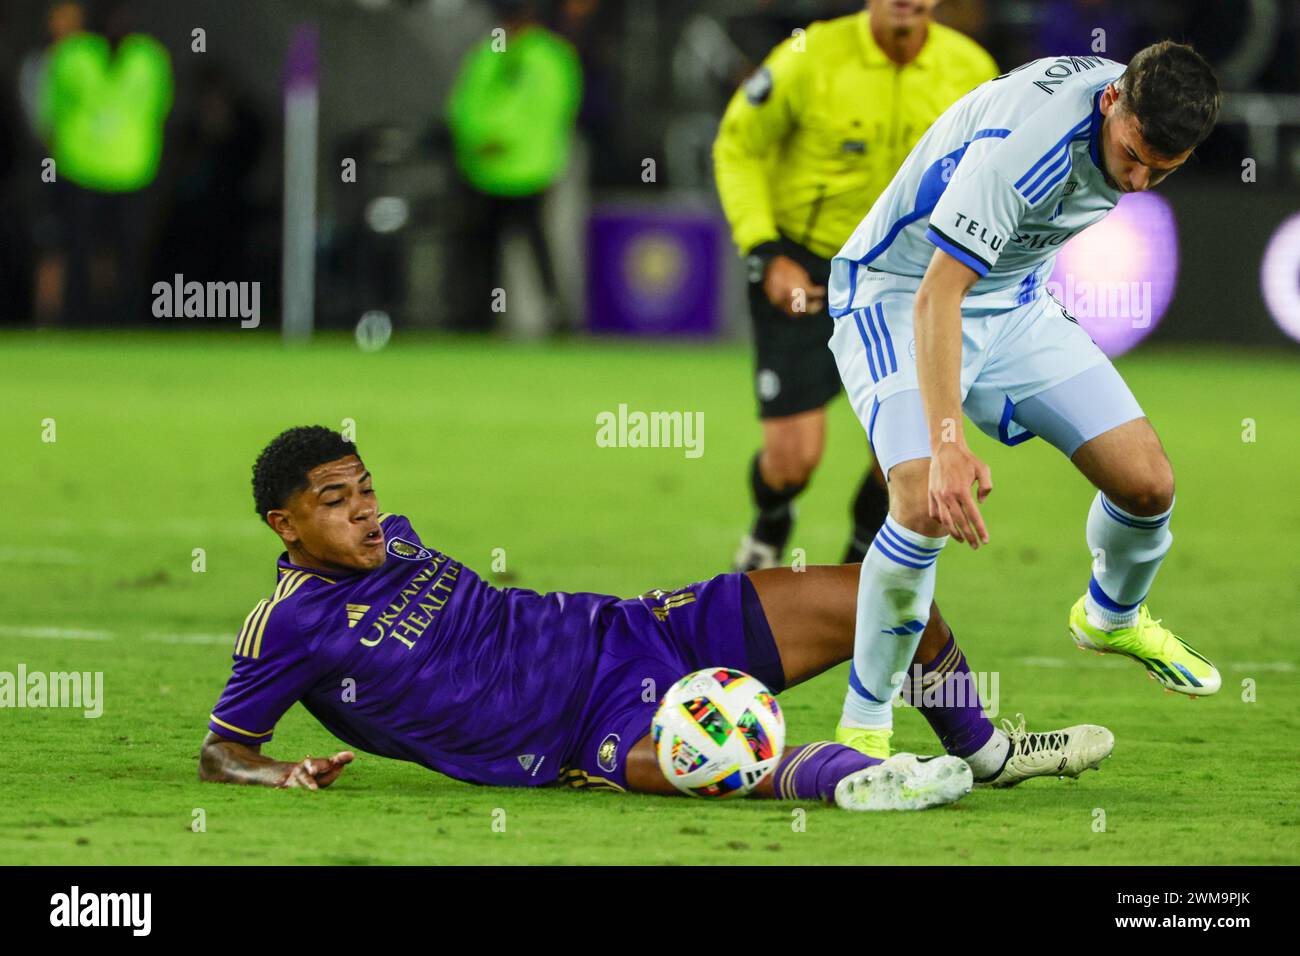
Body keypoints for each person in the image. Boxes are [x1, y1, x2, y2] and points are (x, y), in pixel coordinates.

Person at [198, 427, 1113, 810]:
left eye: (365, 490)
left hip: (634, 631)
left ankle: (984, 751)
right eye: (333, 501)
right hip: (577, 731)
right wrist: (276, 774)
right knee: (720, 755)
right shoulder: (285, 625)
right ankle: (877, 781)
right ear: (284, 525)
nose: (363, 512)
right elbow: (220, 751)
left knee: (880, 593)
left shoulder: (396, 537)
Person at [824, 42, 1223, 756]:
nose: (1135, 180)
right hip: (894, 294)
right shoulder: (1028, 148)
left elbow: (986, 277)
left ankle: (1110, 616)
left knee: (1147, 483)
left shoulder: (1138, 121)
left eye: (1161, 170)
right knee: (920, 500)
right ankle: (864, 732)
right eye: (1132, 154)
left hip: (1012, 304)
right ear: (1111, 103)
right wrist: (948, 443)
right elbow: (937, 293)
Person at [713, 0, 997, 572]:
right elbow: (737, 145)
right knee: (792, 461)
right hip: (806, 270)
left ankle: (852, 577)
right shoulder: (809, 54)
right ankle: (772, 519)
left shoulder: (972, 70)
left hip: (906, 279)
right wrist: (765, 255)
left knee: (898, 456)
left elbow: (997, 172)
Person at [443, 0, 581, 333]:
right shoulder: (487, 54)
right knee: (481, 252)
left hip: (530, 171)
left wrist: (503, 139)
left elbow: (548, 111)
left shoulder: (550, 57)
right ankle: (477, 321)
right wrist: (479, 138)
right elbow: (463, 103)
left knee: (539, 249)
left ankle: (558, 319)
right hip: (483, 171)